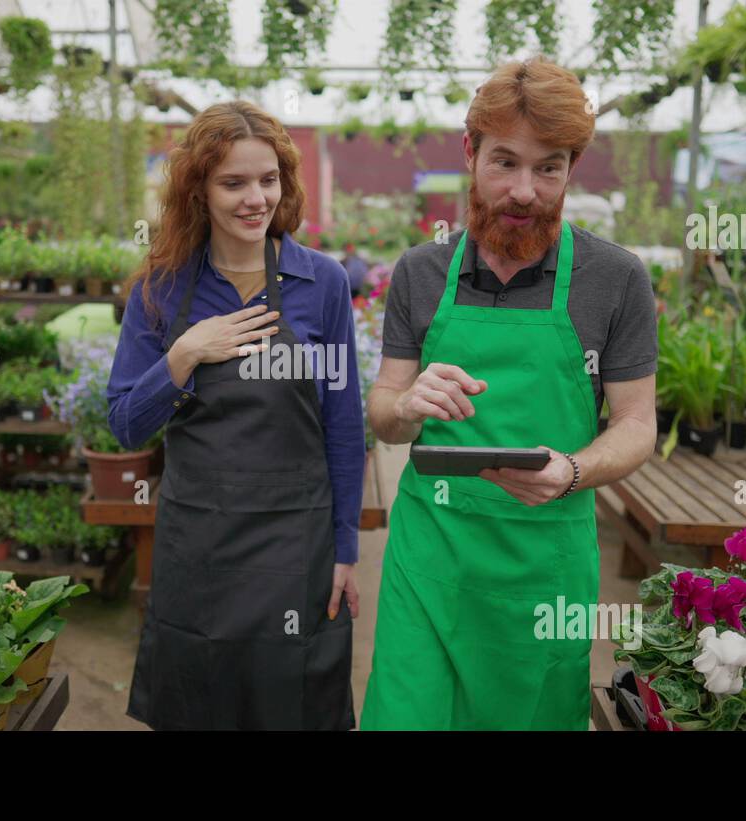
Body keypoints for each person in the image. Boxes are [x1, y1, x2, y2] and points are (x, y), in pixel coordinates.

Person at [360, 57, 658, 730]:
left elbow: (639, 423)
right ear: (469, 152)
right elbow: (383, 410)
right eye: (504, 163)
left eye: (548, 168)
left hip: (544, 564)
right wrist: (407, 406)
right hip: (430, 556)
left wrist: (573, 469)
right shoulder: (420, 272)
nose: (525, 190)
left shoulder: (614, 279)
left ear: (571, 168)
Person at [108, 100, 364, 730]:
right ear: (199, 190)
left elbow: (343, 424)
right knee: (200, 701)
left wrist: (346, 547)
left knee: (292, 704)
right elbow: (125, 423)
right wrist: (185, 354)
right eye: (234, 182)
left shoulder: (322, 282)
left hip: (296, 539)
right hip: (200, 540)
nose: (256, 198)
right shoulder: (161, 288)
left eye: (268, 179)